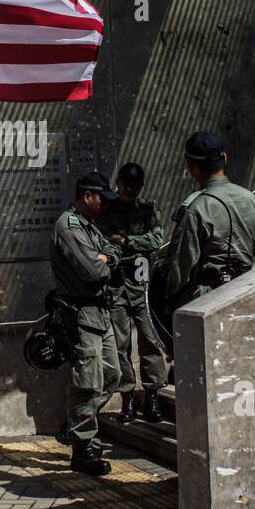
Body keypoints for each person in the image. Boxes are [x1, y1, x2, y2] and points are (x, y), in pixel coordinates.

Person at [49, 171, 123, 476]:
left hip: (99, 314)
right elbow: (94, 272)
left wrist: (108, 257)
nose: (104, 205)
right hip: (81, 315)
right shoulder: (68, 228)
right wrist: (105, 260)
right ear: (87, 195)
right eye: (101, 198)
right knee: (88, 384)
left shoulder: (89, 226)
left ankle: (76, 424)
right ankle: (83, 449)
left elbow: (116, 251)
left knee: (112, 375)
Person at [96, 162, 168, 424]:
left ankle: (152, 395)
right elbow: (104, 241)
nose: (131, 189)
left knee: (150, 341)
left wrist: (127, 242)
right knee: (120, 345)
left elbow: (156, 239)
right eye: (127, 184)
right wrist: (128, 245)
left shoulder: (146, 210)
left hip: (142, 285)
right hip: (116, 286)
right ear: (119, 182)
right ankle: (127, 396)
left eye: (136, 185)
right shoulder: (107, 211)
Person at [161, 133, 255, 314]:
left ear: (191, 166)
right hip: (246, 290)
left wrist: (169, 300)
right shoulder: (251, 199)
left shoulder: (196, 208)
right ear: (224, 158)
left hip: (208, 298)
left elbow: (181, 265)